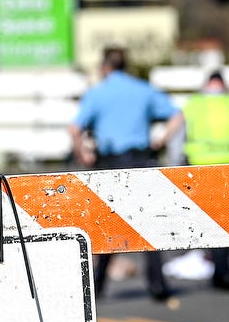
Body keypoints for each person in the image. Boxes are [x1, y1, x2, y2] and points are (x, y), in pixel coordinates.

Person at [70, 46, 183, 303]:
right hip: (141, 159)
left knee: (108, 225)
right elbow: (176, 116)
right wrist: (161, 141)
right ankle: (158, 285)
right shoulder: (143, 90)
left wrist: (84, 154)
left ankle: (96, 288)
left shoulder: (98, 94)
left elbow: (75, 128)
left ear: (105, 67)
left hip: (110, 162)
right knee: (146, 224)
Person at [180, 69, 229, 291]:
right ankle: (224, 270)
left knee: (210, 224)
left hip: (200, 169)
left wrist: (175, 169)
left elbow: (180, 138)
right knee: (228, 223)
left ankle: (220, 269)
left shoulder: (194, 104)